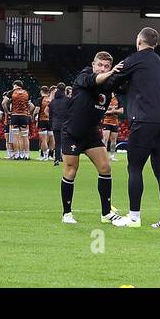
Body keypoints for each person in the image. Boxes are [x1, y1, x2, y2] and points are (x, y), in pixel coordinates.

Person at [106, 28, 160, 230]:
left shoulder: (135, 59)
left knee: (135, 168)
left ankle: (134, 217)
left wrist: (111, 78)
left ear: (138, 41)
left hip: (144, 121)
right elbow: (142, 86)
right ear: (156, 44)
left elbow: (112, 81)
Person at [59, 52, 120, 224]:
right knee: (71, 170)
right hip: (72, 132)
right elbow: (94, 80)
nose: (102, 68)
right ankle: (67, 214)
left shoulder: (109, 85)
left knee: (105, 168)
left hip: (91, 133)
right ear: (93, 64)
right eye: (100, 65)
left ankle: (106, 213)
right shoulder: (84, 77)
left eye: (106, 66)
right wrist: (111, 72)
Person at [7, 80, 31, 160]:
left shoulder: (11, 92)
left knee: (15, 137)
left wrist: (8, 112)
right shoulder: (26, 93)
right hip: (24, 116)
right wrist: (28, 112)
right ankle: (26, 155)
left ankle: (17, 155)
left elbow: (3, 103)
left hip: (15, 116)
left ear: (16, 85)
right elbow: (32, 106)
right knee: (25, 136)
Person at [48, 82, 70, 168]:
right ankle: (67, 159)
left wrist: (51, 124)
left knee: (57, 143)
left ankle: (56, 159)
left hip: (55, 124)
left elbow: (50, 115)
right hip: (65, 124)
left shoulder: (53, 102)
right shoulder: (68, 100)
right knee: (66, 143)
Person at [101, 95, 122, 160]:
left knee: (114, 141)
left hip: (115, 123)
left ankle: (112, 156)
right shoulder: (106, 97)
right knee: (105, 139)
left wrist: (113, 110)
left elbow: (121, 110)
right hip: (106, 122)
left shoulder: (117, 98)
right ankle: (103, 156)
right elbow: (103, 110)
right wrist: (112, 110)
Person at [37, 86, 53, 161]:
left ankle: (45, 155)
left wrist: (34, 115)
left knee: (43, 139)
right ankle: (51, 155)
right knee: (51, 138)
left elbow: (37, 110)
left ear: (41, 91)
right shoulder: (51, 99)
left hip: (42, 120)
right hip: (51, 121)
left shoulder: (40, 99)